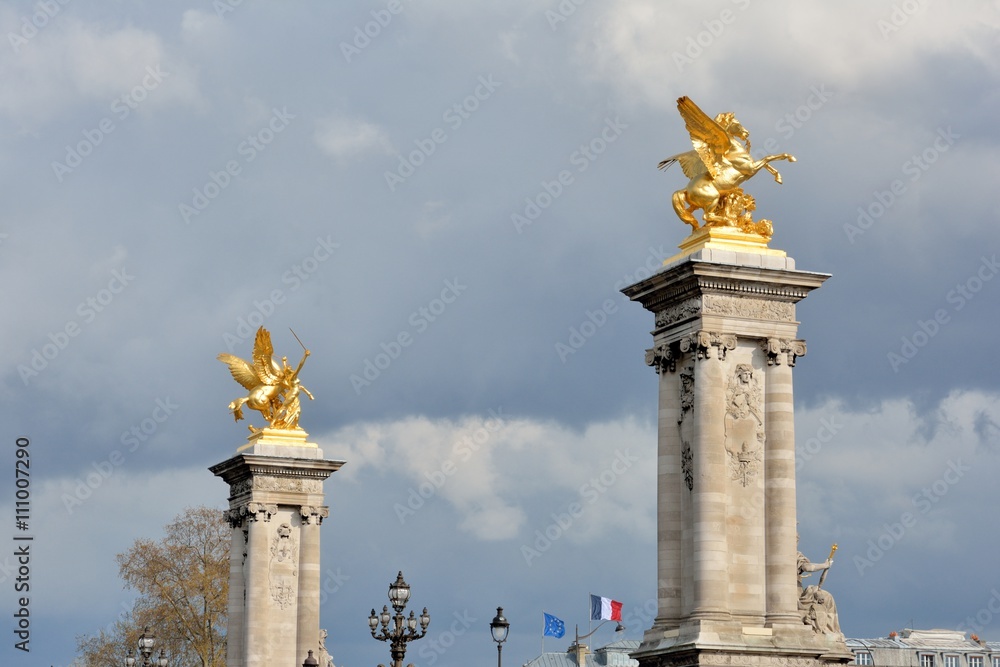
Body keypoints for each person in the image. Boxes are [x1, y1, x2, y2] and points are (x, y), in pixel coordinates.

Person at [797, 550, 841, 634]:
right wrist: (825, 565)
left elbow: (820, 581)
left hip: (795, 592)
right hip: (793, 595)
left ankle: (830, 629)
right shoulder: (793, 554)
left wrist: (826, 568)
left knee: (827, 596)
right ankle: (829, 629)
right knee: (827, 597)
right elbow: (806, 567)